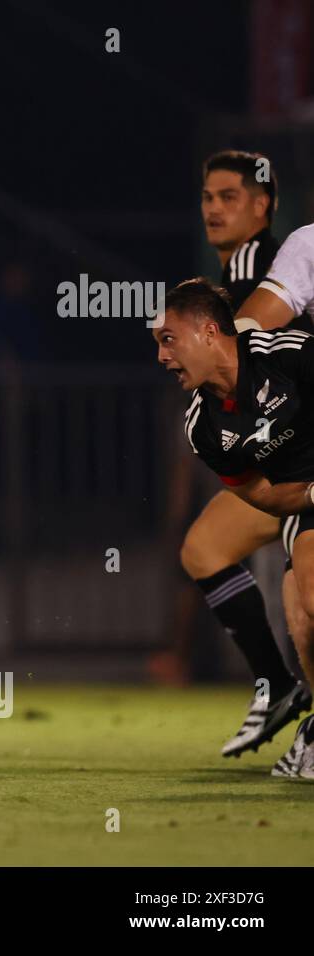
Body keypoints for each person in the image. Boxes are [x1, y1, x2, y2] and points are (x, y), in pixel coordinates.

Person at [174, 150, 309, 756]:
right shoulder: (231, 271)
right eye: (207, 196)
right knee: (279, 582)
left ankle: (283, 688)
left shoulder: (260, 262)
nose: (213, 208)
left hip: (296, 444)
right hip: (283, 450)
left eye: (229, 197)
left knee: (296, 591)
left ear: (263, 205)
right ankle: (281, 686)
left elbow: (262, 349)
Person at [154, 277, 314, 777]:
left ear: (207, 331)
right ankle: (288, 695)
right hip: (305, 497)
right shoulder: (202, 427)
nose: (162, 356)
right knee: (306, 602)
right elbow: (264, 494)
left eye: (168, 339)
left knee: (303, 598)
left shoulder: (287, 353)